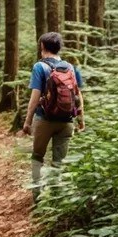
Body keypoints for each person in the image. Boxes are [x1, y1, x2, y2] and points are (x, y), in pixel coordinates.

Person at [21, 32, 84, 203]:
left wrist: (27, 122)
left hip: (44, 120)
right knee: (59, 160)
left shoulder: (39, 67)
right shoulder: (70, 67)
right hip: (67, 122)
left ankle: (37, 195)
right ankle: (57, 197)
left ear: (42, 47)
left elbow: (35, 97)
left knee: (37, 156)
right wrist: (81, 119)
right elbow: (78, 95)